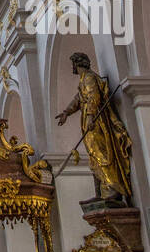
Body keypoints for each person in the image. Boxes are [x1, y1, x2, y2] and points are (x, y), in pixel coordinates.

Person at [56, 53, 133, 203]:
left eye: (73, 64)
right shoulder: (83, 79)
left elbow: (94, 97)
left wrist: (90, 117)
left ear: (78, 64)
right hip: (88, 120)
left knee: (102, 153)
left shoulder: (90, 77)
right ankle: (100, 193)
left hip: (96, 122)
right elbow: (79, 98)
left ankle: (113, 189)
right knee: (93, 155)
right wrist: (67, 112)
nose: (73, 67)